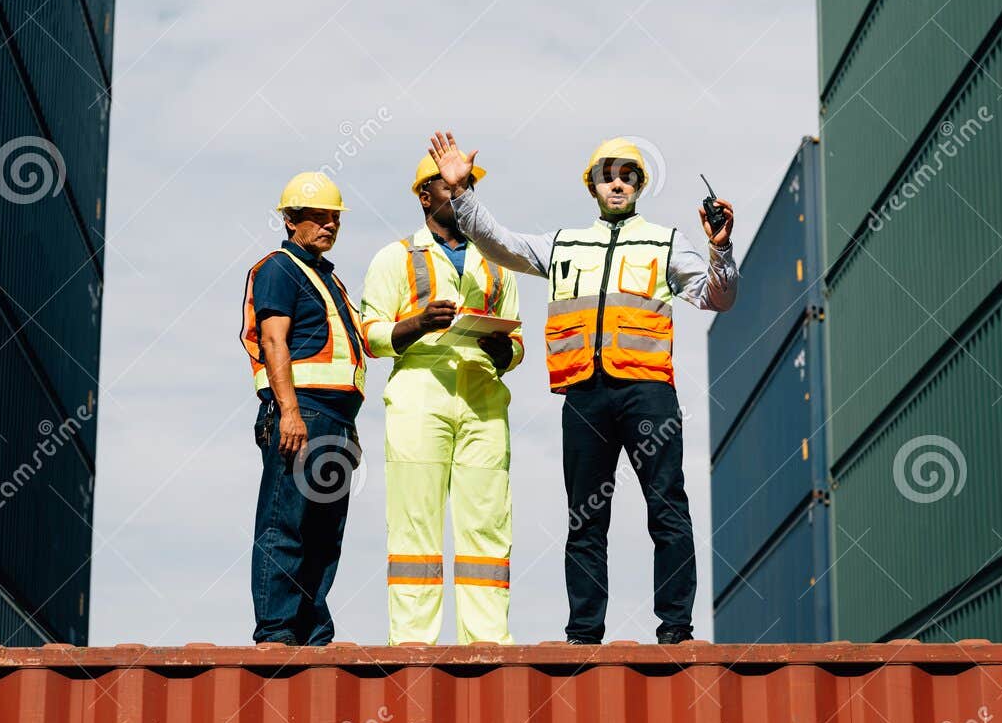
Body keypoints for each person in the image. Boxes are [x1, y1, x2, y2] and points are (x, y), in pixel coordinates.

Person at [427, 132, 737, 645]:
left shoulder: (664, 242)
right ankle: (584, 634)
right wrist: (462, 193)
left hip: (647, 394)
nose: (617, 183)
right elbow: (497, 242)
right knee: (585, 519)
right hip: (585, 398)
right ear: (591, 185)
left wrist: (720, 248)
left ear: (640, 185)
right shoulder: (564, 244)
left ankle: (676, 631)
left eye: (628, 175)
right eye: (607, 175)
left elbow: (717, 298)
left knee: (667, 509)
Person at [359, 156, 524, 645]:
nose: (461, 189)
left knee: (488, 522)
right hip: (419, 388)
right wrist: (415, 325)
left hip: (483, 393)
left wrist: (505, 350)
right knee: (414, 520)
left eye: (467, 184)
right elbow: (371, 335)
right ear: (424, 195)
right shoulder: (394, 257)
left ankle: (488, 643)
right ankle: (413, 644)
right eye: (450, 184)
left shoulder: (498, 260)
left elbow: (517, 342)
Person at [239, 172, 367, 647]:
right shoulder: (278, 267)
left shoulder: (328, 278)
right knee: (285, 523)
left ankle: (312, 633)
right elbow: (274, 339)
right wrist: (288, 411)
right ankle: (276, 632)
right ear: (291, 220)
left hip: (337, 421)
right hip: (303, 413)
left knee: (323, 534)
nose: (329, 224)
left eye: (334, 217)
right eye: (318, 216)